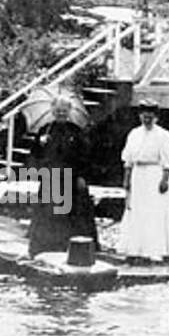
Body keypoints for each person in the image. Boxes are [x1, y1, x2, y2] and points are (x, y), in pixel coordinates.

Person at [26, 94, 99, 257]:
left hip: (70, 178)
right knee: (47, 213)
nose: (61, 114)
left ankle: (67, 245)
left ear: (69, 112)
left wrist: (82, 176)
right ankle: (44, 246)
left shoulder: (76, 131)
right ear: (52, 110)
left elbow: (85, 156)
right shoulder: (45, 130)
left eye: (64, 111)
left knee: (69, 214)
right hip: (49, 177)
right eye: (58, 110)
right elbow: (34, 154)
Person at [118, 99, 169, 265]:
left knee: (155, 212)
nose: (146, 120)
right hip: (138, 175)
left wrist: (165, 179)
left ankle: (156, 251)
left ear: (156, 117)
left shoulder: (163, 135)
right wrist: (126, 180)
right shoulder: (134, 134)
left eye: (150, 117)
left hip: (155, 175)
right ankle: (135, 250)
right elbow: (128, 160)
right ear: (140, 116)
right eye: (143, 116)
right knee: (137, 211)